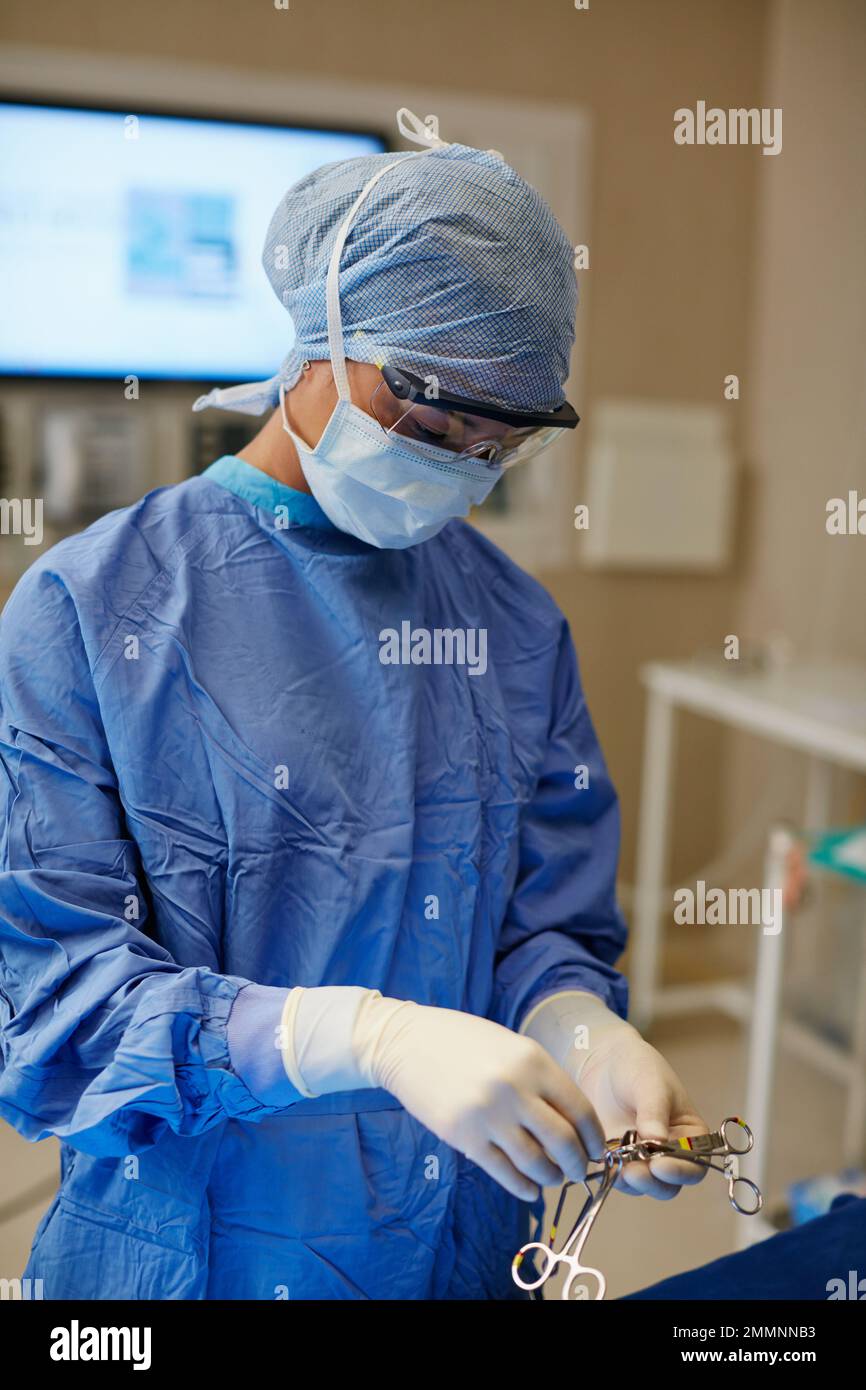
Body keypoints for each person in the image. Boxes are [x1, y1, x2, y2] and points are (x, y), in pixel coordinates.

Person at [0, 111, 706, 1300]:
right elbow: (53, 1002)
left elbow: (540, 925)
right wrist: (361, 1038)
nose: (456, 466)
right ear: (317, 337)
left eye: (495, 444)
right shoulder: (90, 606)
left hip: (458, 1240)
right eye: (426, 425)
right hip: (192, 1252)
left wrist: (580, 1022)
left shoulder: (515, 625)